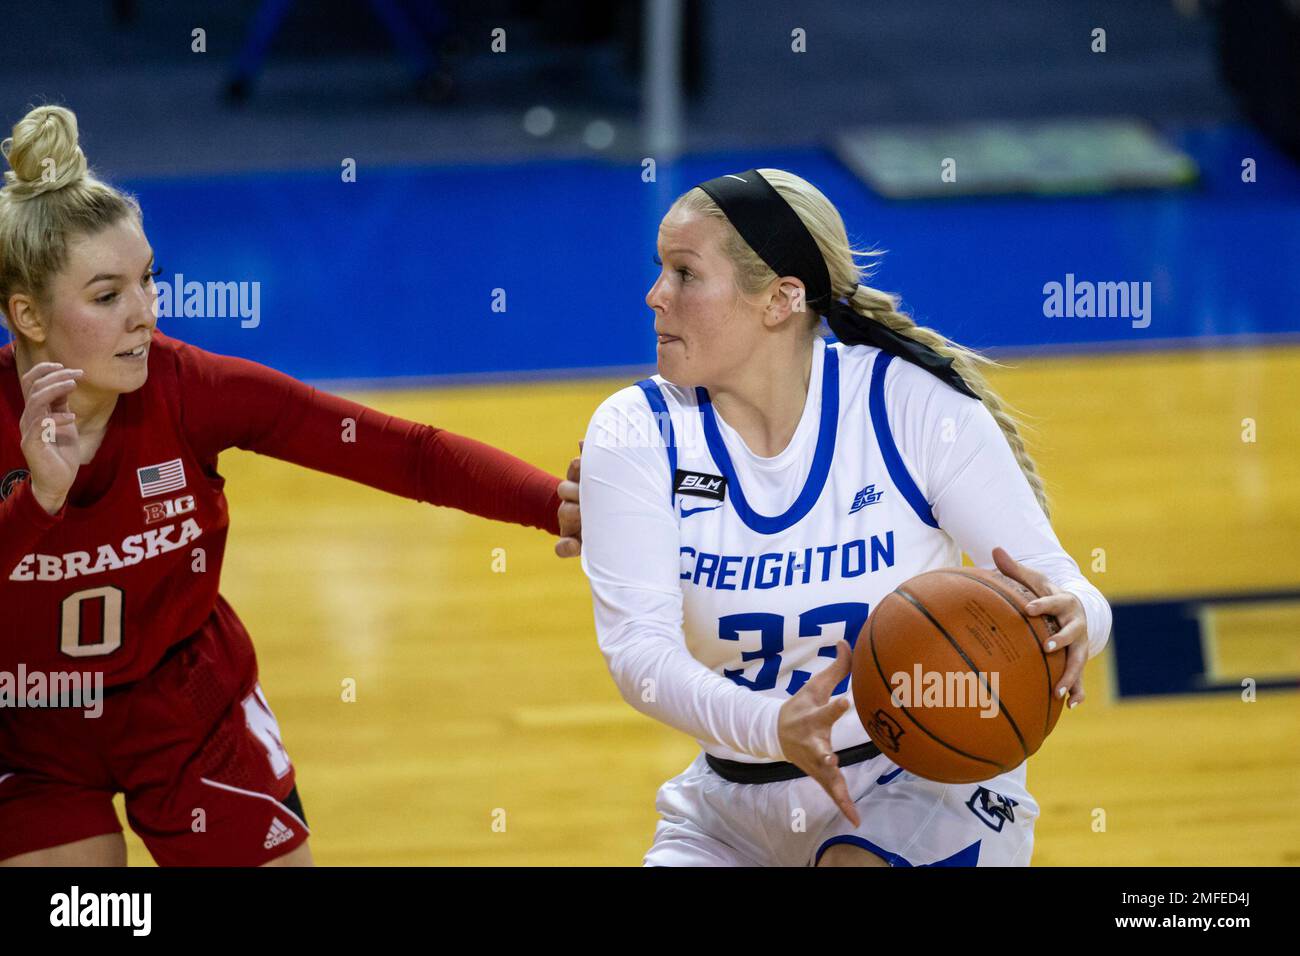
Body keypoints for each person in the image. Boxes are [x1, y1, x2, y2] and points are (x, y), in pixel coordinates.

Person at [0, 104, 580, 866]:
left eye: (149, 281)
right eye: (108, 297)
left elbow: (404, 453)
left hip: (186, 711)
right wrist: (36, 504)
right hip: (31, 727)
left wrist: (555, 504)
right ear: (26, 316)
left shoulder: (193, 388)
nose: (145, 314)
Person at [577, 168, 1112, 867]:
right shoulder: (634, 430)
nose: (655, 296)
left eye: (684, 273)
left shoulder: (907, 406)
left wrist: (1077, 616)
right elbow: (639, 655)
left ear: (780, 299)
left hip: (922, 781)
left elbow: (1070, 589)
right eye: (660, 270)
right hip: (728, 802)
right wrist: (775, 726)